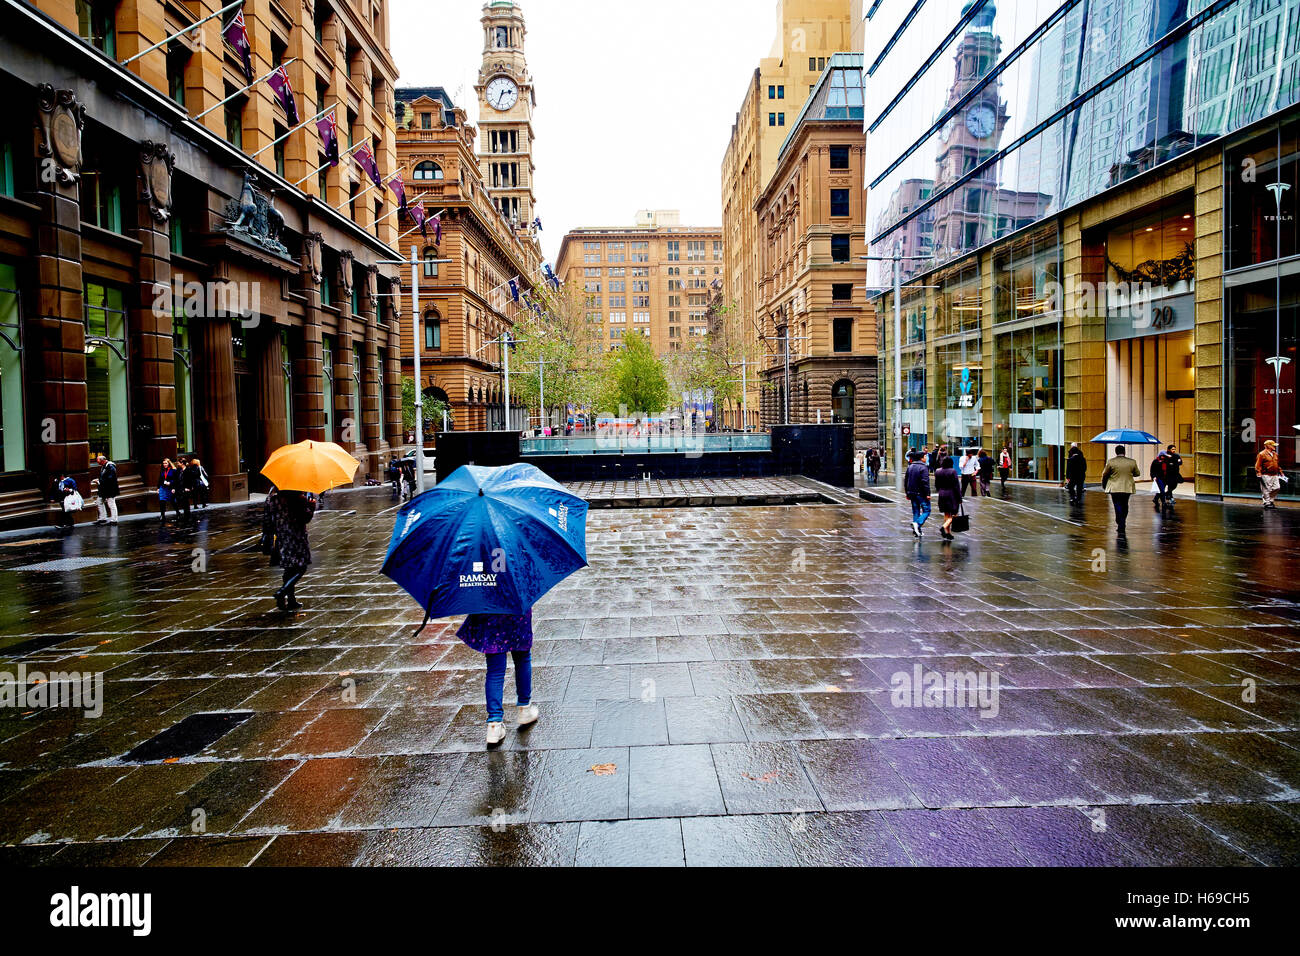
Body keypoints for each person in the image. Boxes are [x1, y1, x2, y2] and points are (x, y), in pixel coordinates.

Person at [457, 611, 539, 746]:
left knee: (495, 670)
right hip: (516, 606)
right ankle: (525, 709)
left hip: (490, 610)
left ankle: (494, 725)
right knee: (522, 657)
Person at [267, 487, 317, 610]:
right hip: (296, 537)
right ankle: (282, 592)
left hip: (281, 537)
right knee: (301, 567)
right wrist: (311, 507)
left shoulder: (274, 499)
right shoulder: (299, 499)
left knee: (289, 568)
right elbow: (305, 518)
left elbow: (269, 520)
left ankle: (291, 600)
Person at [1101, 445, 1140, 536]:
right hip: (1127, 487)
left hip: (1115, 487)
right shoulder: (1132, 462)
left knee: (1117, 505)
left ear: (1116, 452)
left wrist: (1104, 484)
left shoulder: (1111, 462)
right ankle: (1122, 521)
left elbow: (1105, 474)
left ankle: (1120, 521)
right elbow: (1137, 473)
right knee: (1125, 504)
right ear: (1124, 452)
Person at [904, 450, 932, 539]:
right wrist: (927, 493)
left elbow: (906, 481)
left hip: (912, 493)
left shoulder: (910, 466)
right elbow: (925, 482)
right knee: (927, 510)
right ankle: (918, 524)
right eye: (925, 456)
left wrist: (907, 492)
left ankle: (917, 530)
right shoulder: (923, 468)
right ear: (921, 458)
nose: (926, 458)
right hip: (921, 493)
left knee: (916, 511)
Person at [935, 456, 964, 540]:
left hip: (942, 494)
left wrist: (940, 491)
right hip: (951, 494)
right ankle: (943, 527)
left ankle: (948, 533)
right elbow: (956, 486)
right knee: (954, 514)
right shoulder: (953, 471)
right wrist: (959, 498)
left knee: (946, 513)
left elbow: (936, 485)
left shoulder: (938, 471)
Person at [1255, 439, 1283, 509]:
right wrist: (1258, 473)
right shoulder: (1262, 454)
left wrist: (1280, 471)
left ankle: (1269, 500)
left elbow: (1277, 464)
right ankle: (1268, 502)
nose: (1274, 447)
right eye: (1273, 445)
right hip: (1266, 474)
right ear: (1268, 446)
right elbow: (1258, 465)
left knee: (1277, 487)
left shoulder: (1275, 454)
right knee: (1266, 489)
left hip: (1274, 474)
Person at [94, 454, 119, 525]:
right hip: (104, 489)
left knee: (111, 504)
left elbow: (110, 478)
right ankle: (103, 518)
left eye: (98, 461)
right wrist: (99, 480)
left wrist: (99, 481)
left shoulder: (110, 466)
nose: (97, 463)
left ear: (102, 461)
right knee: (99, 502)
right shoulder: (104, 466)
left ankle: (114, 520)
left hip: (109, 489)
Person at [180, 456, 202, 523]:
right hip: (192, 484)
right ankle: (189, 511)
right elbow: (198, 474)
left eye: (179, 463)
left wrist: (189, 487)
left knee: (186, 501)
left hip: (190, 486)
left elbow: (190, 477)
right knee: (187, 500)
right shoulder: (193, 468)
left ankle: (187, 514)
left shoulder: (189, 469)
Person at [158, 458, 180, 524]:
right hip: (163, 487)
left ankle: (177, 512)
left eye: (166, 463)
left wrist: (171, 484)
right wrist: (158, 487)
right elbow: (160, 479)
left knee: (172, 501)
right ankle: (162, 515)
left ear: (169, 463)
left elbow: (176, 480)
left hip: (170, 487)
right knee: (162, 500)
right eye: (163, 463)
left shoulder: (173, 470)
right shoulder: (162, 470)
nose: (164, 464)